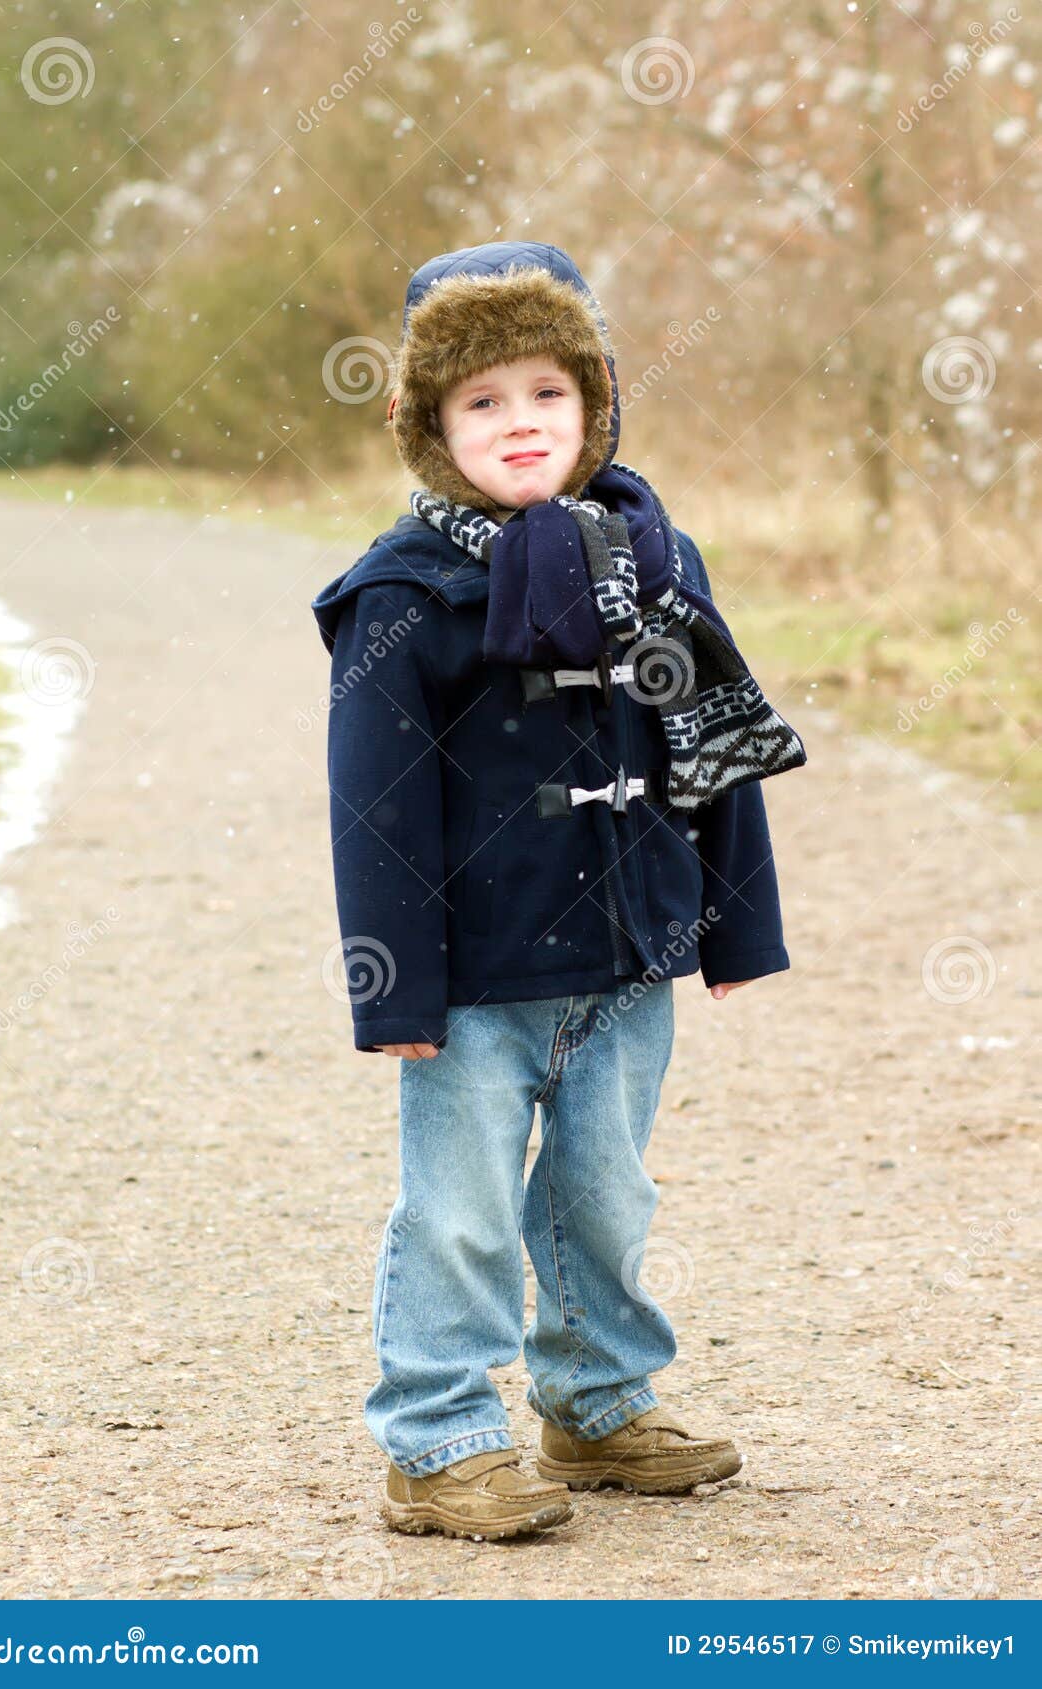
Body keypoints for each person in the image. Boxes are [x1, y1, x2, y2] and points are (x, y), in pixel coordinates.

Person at [310, 241, 806, 1541]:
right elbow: (374, 815)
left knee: (604, 1190)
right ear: (429, 426)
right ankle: (438, 1437)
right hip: (478, 982)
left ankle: (593, 1400)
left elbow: (718, 748)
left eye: (546, 393)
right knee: (463, 1207)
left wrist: (737, 923)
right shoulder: (405, 600)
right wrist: (395, 983)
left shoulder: (653, 555)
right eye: (480, 401)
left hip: (632, 953)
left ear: (595, 403)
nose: (519, 423)